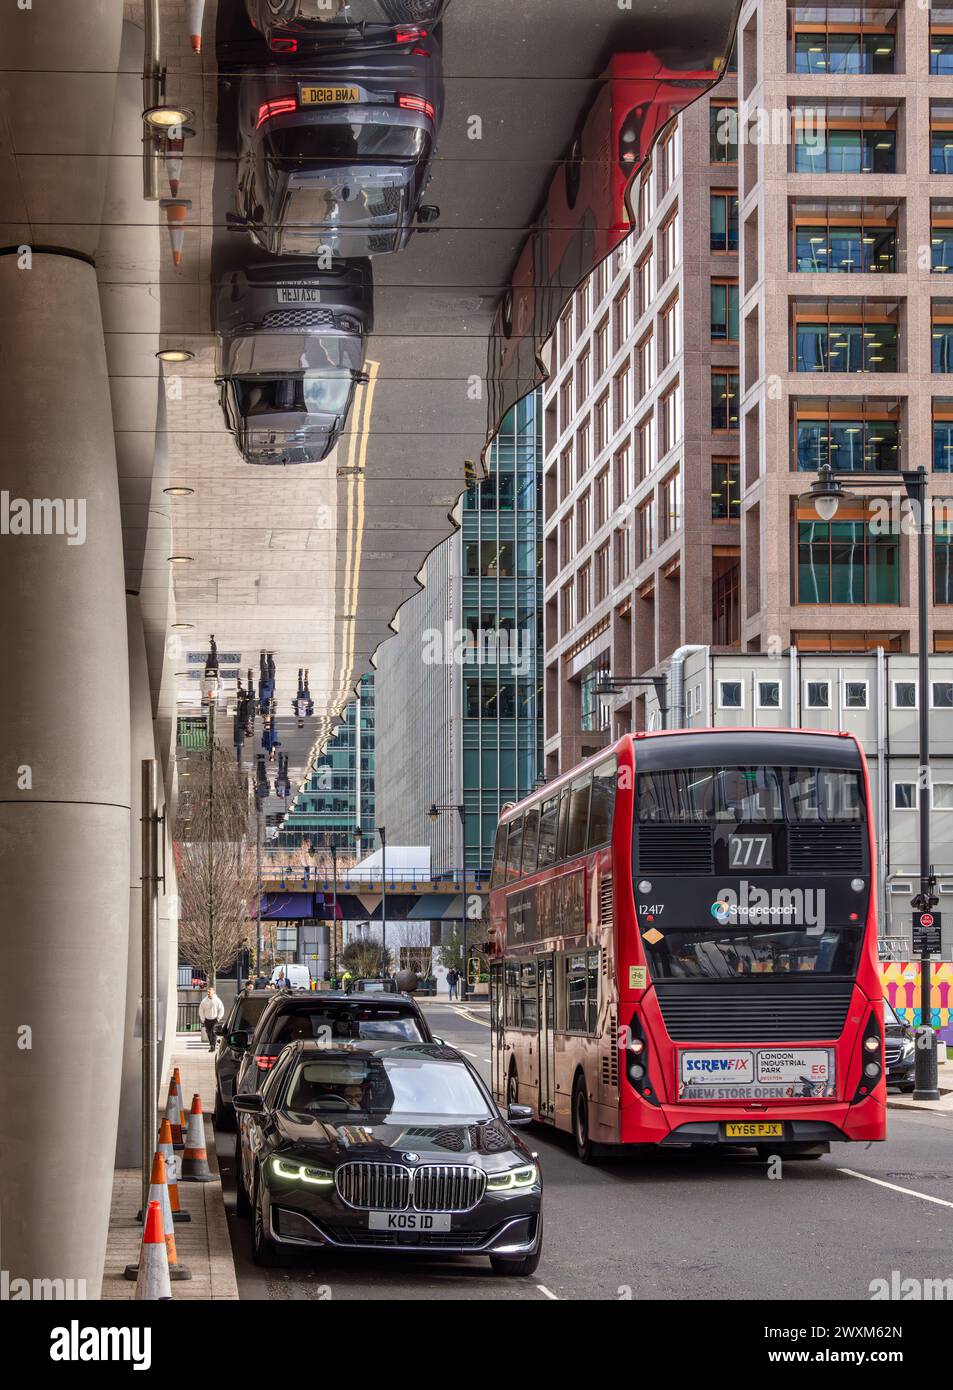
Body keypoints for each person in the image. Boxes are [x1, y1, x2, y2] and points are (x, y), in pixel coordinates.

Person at [198, 985, 225, 1052]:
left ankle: (213, 1046)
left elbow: (221, 1009)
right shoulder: (204, 1001)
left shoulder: (217, 1000)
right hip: (207, 1019)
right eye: (208, 992)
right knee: (209, 1033)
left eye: (210, 992)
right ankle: (211, 1044)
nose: (208, 993)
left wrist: (218, 1018)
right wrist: (203, 1019)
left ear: (213, 992)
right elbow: (201, 1010)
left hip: (214, 1019)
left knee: (213, 1032)